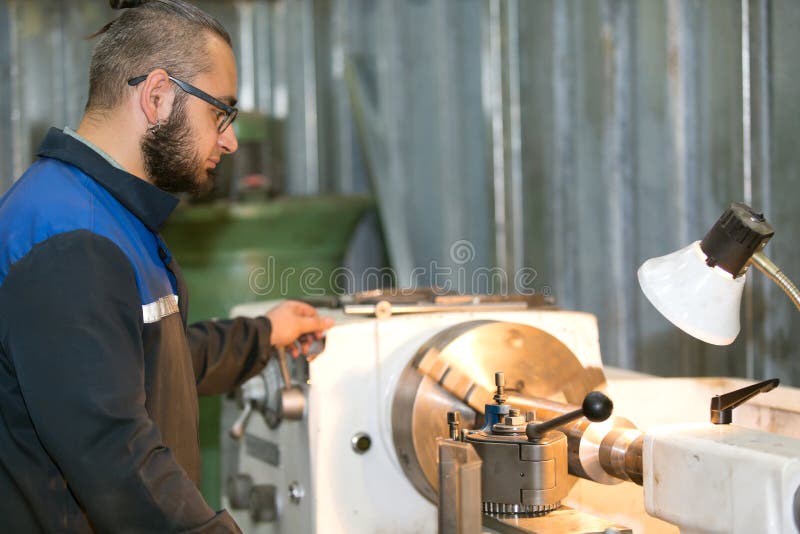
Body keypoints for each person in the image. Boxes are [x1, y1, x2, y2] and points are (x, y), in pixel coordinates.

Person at [0, 1, 332, 531]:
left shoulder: (109, 217)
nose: (230, 140)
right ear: (157, 97)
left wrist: (264, 334)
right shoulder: (73, 239)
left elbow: (150, 363)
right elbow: (116, 458)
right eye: (220, 113)